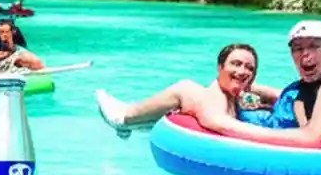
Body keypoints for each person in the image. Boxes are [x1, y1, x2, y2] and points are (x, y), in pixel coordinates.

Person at [98, 21, 321, 144]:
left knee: (186, 89)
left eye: (313, 46)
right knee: (219, 90)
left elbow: (310, 137)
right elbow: (292, 99)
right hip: (265, 122)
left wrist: (227, 126)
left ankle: (125, 118)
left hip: (264, 137)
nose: (305, 54)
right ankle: (140, 120)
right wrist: (249, 88)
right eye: (297, 48)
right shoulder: (316, 84)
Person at [95, 43, 280, 138]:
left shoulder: (238, 91)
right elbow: (219, 122)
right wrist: (281, 137)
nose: (242, 71)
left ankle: (140, 120)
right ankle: (125, 118)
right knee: (184, 88)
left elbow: (280, 95)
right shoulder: (212, 100)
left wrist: (251, 87)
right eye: (236, 64)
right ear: (220, 68)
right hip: (204, 114)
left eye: (250, 68)